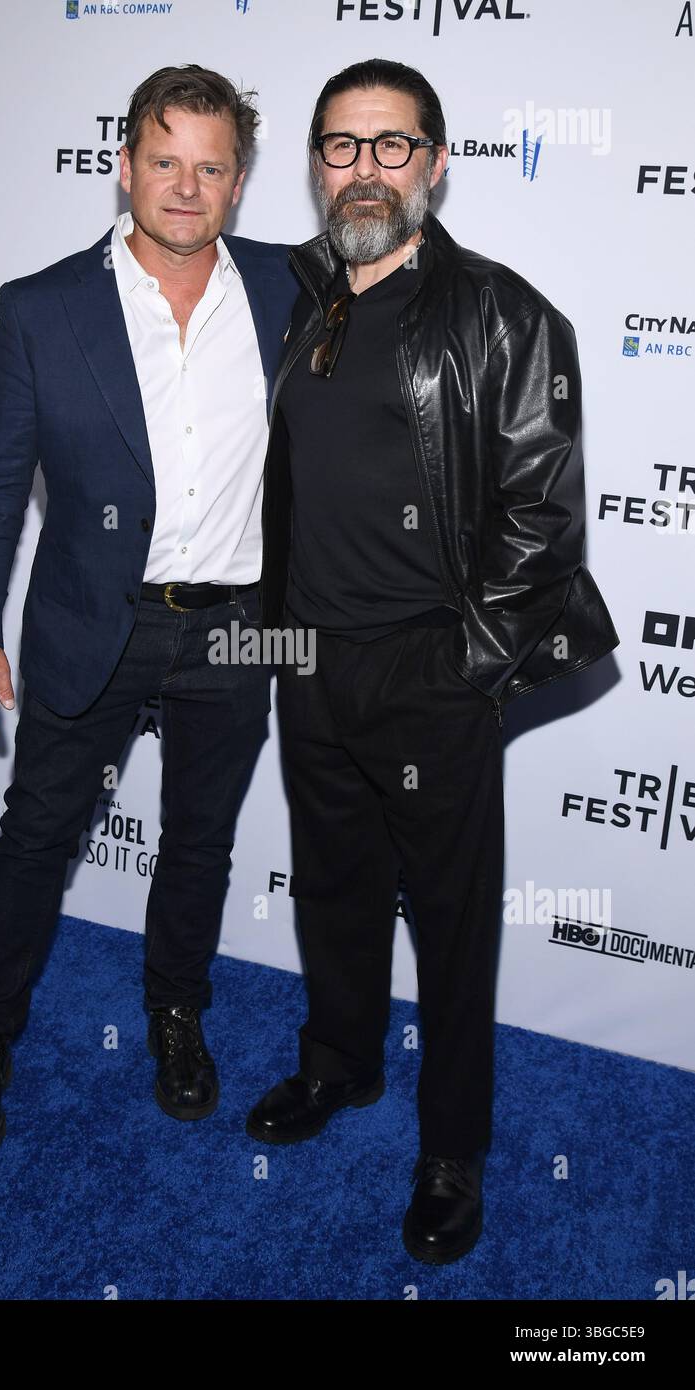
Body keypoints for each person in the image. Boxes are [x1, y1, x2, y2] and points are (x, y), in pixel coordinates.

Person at [246, 59, 619, 1264]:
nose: (364, 170)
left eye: (390, 145)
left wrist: (462, 666)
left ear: (437, 161)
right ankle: (339, 1063)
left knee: (452, 929)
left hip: (431, 674)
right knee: (335, 890)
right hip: (307, 657)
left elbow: (542, 518)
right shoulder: (302, 299)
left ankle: (452, 1148)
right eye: (341, 147)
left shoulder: (505, 316)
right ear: (316, 166)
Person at [0, 64, 298, 1163]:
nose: (184, 187)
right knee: (37, 837)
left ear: (238, 182)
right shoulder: (43, 308)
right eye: (163, 160)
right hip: (96, 619)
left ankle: (174, 1012)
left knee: (198, 839)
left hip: (239, 628)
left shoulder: (295, 288)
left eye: (210, 165)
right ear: (124, 166)